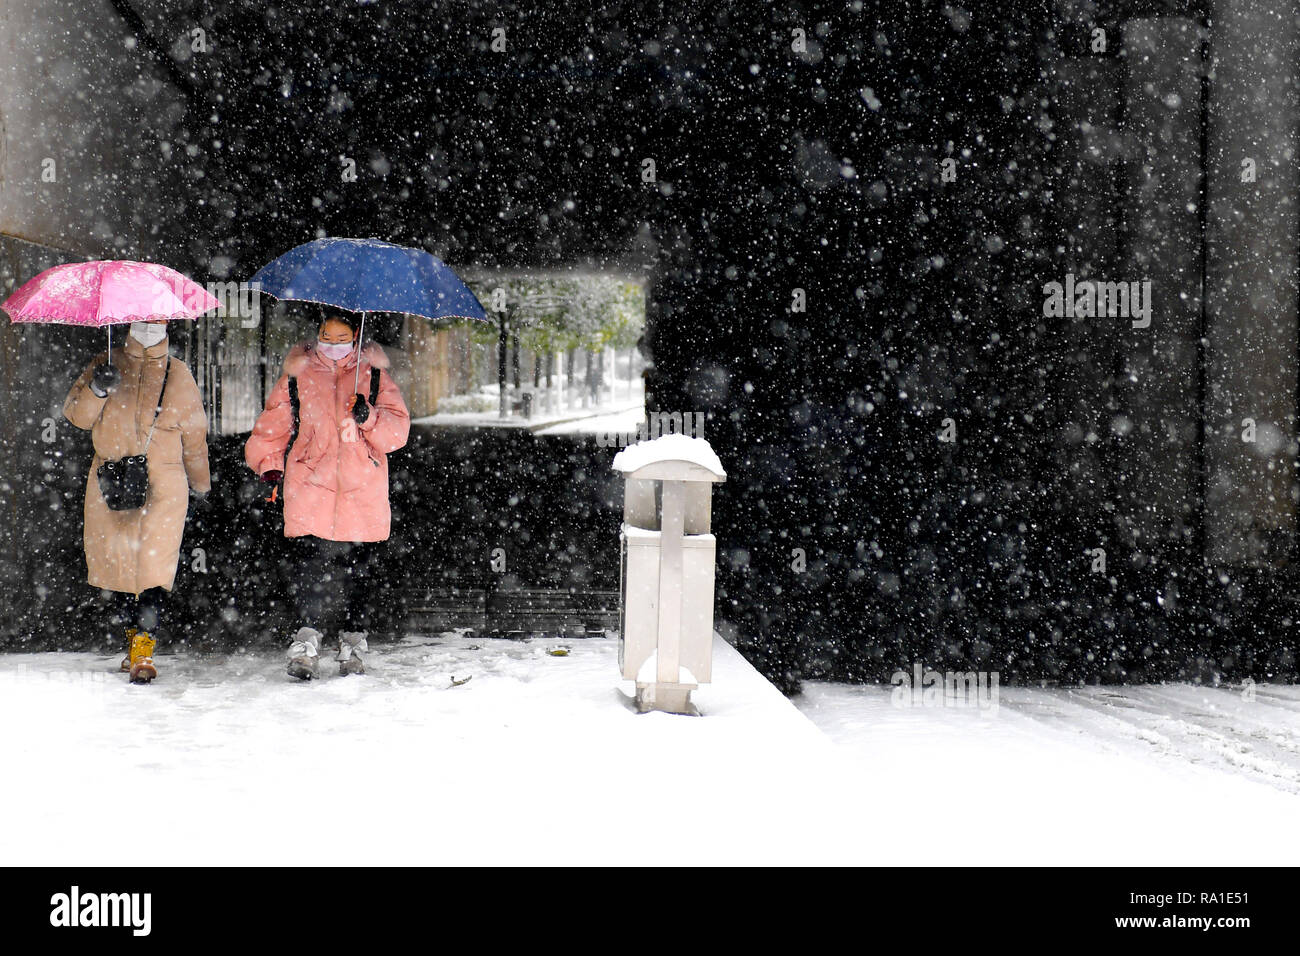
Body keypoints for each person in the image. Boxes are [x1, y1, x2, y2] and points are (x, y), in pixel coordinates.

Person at [244, 308, 410, 679]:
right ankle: (306, 641)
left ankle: (353, 641)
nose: (333, 346)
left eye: (341, 339)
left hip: (361, 484)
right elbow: (275, 422)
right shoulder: (297, 374)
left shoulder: (375, 375)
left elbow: (397, 433)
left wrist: (369, 418)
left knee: (359, 569)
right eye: (327, 338)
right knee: (309, 565)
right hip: (310, 481)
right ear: (316, 335)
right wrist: (268, 462)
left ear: (355, 337)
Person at [63, 318, 211, 683]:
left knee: (152, 568)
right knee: (116, 565)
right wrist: (97, 390)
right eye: (144, 320)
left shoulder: (179, 374)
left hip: (163, 487)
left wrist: (201, 483)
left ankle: (144, 645)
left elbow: (195, 436)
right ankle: (132, 638)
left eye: (157, 321)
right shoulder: (105, 362)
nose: (150, 326)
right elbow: (76, 417)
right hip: (112, 482)